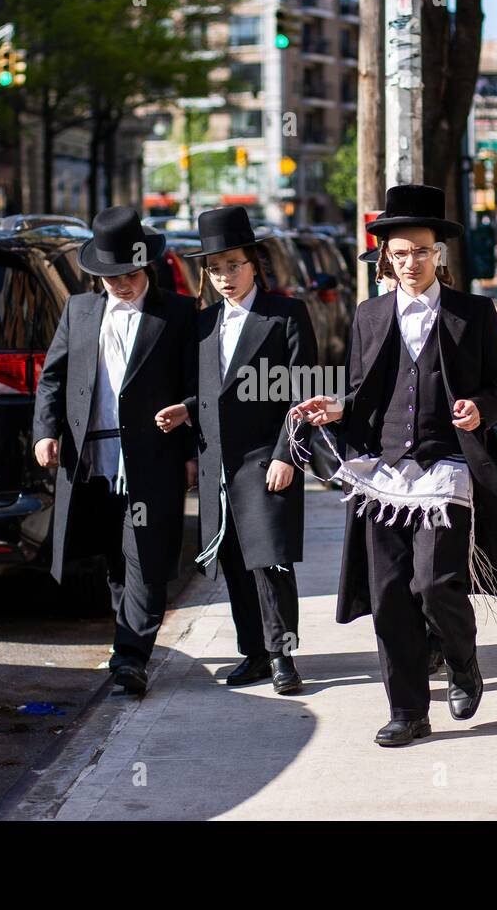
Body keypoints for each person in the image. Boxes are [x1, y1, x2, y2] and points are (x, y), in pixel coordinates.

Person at [292, 184, 497, 747]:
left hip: (447, 467)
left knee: (434, 582)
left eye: (422, 251)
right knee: (391, 592)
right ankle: (407, 712)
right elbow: (362, 393)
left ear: (437, 254)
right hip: (383, 471)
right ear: (385, 257)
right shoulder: (370, 315)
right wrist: (336, 408)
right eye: (400, 253)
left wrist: (481, 410)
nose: (411, 263)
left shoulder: (472, 313)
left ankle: (463, 661)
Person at [32, 206, 198, 697]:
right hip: (94, 461)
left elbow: (198, 384)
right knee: (116, 562)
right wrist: (45, 431)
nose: (120, 285)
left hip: (151, 460)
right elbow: (52, 378)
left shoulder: (178, 313)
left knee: (145, 558)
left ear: (145, 267)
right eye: (109, 277)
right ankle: (127, 643)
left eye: (128, 274)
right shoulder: (80, 312)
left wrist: (186, 421)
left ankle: (130, 658)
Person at [155, 206, 318, 695]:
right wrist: (185, 411)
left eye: (234, 265)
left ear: (254, 263)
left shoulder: (286, 315)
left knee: (270, 559)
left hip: (266, 456)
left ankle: (282, 654)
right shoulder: (202, 324)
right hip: (215, 460)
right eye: (215, 268)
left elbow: (303, 392)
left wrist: (289, 456)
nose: (225, 276)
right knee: (233, 559)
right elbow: (207, 390)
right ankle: (254, 653)